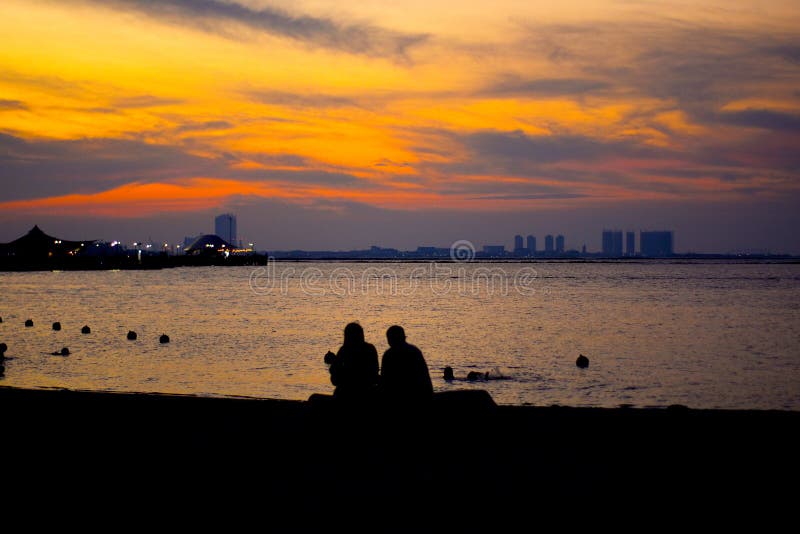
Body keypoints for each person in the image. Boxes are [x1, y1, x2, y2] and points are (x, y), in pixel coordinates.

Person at [379, 325, 433, 403]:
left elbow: (385, 380)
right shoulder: (415, 351)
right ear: (404, 337)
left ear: (389, 340)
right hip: (419, 395)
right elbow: (425, 376)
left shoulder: (388, 355)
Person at [327, 322, 379, 401]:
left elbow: (335, 380)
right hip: (368, 393)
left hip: (346, 394)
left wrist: (335, 363)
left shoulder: (344, 350)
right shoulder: (370, 349)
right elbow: (374, 372)